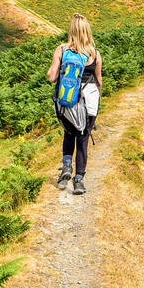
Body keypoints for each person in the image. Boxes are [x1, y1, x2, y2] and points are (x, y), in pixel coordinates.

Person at [47, 13, 102, 193]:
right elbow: (99, 81)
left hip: (67, 102)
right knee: (83, 137)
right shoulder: (94, 54)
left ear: (70, 30)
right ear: (87, 31)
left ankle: (66, 167)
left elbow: (51, 76)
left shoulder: (62, 50)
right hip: (89, 102)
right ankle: (78, 180)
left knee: (69, 133)